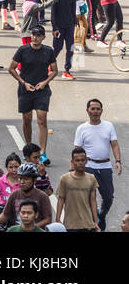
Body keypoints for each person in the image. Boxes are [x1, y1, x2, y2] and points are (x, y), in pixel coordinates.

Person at [9, 25, 57, 161]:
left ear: (43, 37)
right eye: (33, 35)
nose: (35, 37)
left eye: (38, 35)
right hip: (26, 89)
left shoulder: (48, 51)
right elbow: (11, 68)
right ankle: (29, 149)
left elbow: (54, 70)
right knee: (27, 119)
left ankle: (42, 152)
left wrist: (44, 82)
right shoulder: (23, 50)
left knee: (42, 119)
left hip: (42, 90)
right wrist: (23, 82)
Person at [72, 97, 121, 230]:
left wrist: (118, 161)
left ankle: (101, 215)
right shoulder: (82, 128)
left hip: (105, 166)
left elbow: (115, 145)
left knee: (108, 197)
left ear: (101, 111)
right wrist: (73, 169)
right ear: (87, 111)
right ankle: (91, 224)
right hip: (88, 167)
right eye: (92, 109)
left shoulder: (108, 126)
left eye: (98, 109)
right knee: (88, 197)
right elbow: (77, 150)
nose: (95, 111)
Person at [54, 147, 100, 232]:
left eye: (82, 160)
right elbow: (61, 199)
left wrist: (96, 222)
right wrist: (58, 219)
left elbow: (93, 202)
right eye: (77, 160)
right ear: (72, 162)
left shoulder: (91, 178)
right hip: (70, 225)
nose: (80, 163)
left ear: (86, 160)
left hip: (88, 224)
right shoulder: (64, 179)